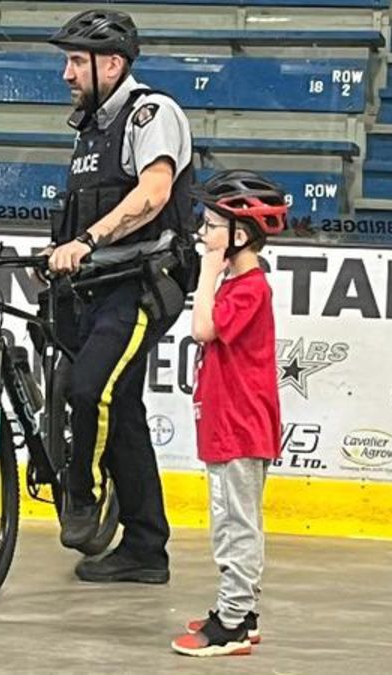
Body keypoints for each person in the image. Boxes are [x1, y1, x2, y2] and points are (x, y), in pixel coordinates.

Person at [44, 9, 196, 583]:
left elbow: (153, 195)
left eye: (75, 61)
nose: (66, 74)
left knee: (92, 391)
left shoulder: (151, 113)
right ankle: (145, 548)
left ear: (112, 64)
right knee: (123, 413)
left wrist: (87, 239)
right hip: (93, 286)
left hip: (139, 284)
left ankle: (79, 497)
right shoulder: (89, 130)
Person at [170, 170, 287, 656]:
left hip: (239, 425)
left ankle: (233, 622)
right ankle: (242, 609)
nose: (203, 233)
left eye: (213, 225)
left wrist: (207, 269)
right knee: (236, 519)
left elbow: (202, 329)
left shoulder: (248, 288)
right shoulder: (242, 284)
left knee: (235, 523)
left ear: (240, 235)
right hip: (229, 422)